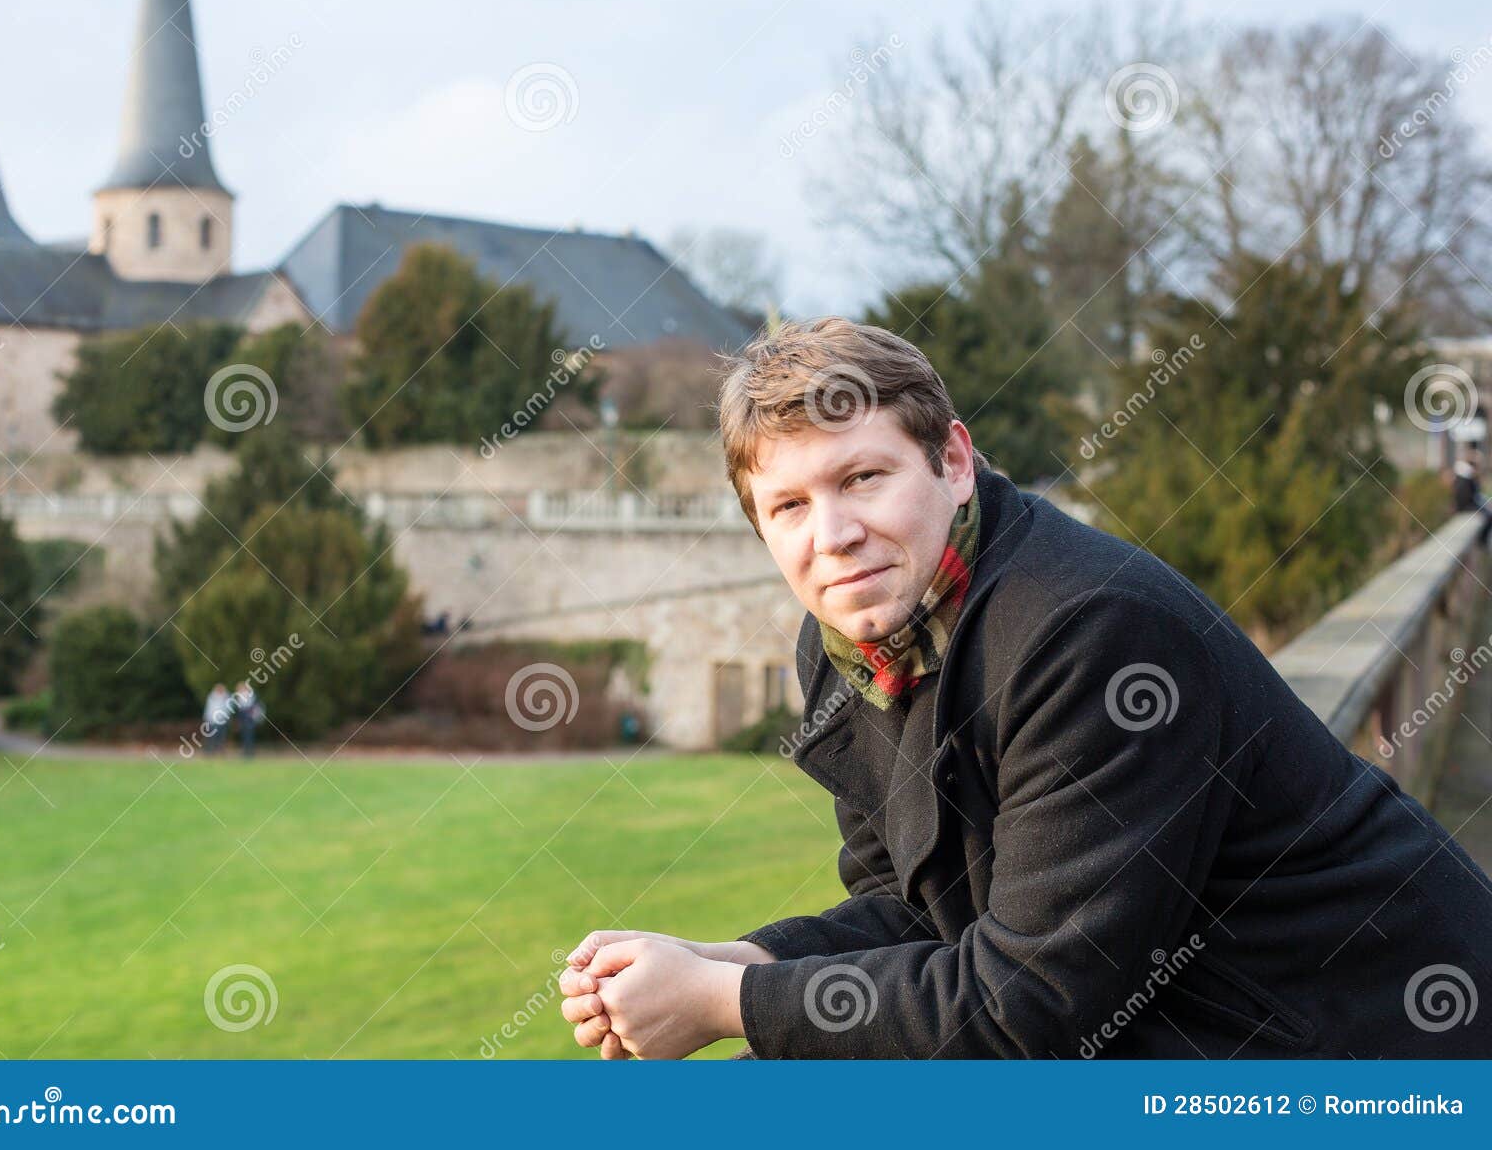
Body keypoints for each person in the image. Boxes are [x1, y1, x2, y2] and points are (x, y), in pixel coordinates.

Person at [557, 316, 1492, 1060]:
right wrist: (733, 960)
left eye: (863, 477)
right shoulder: (846, 643)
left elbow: (1029, 1010)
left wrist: (724, 1003)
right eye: (790, 506)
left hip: (1372, 1051)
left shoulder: (1090, 630)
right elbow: (919, 917)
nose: (831, 533)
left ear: (954, 462)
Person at [1451, 447, 1492, 548]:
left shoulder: (1466, 475)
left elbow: (1476, 494)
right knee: (1488, 514)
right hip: (1466, 507)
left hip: (1469, 504)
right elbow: (1465, 496)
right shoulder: (1465, 477)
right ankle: (1482, 542)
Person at [233, 679, 263, 758]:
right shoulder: (239, 697)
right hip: (244, 719)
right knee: (245, 736)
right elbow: (239, 711)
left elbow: (253, 708)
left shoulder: (251, 696)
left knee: (249, 735)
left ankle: (249, 752)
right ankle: (246, 752)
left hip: (249, 719)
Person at [202, 683, 232, 755]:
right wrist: (207, 717)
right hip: (212, 720)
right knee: (211, 736)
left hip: (222, 720)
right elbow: (209, 708)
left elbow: (228, 709)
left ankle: (219, 750)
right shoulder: (212, 697)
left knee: (221, 736)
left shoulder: (226, 697)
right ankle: (209, 750)